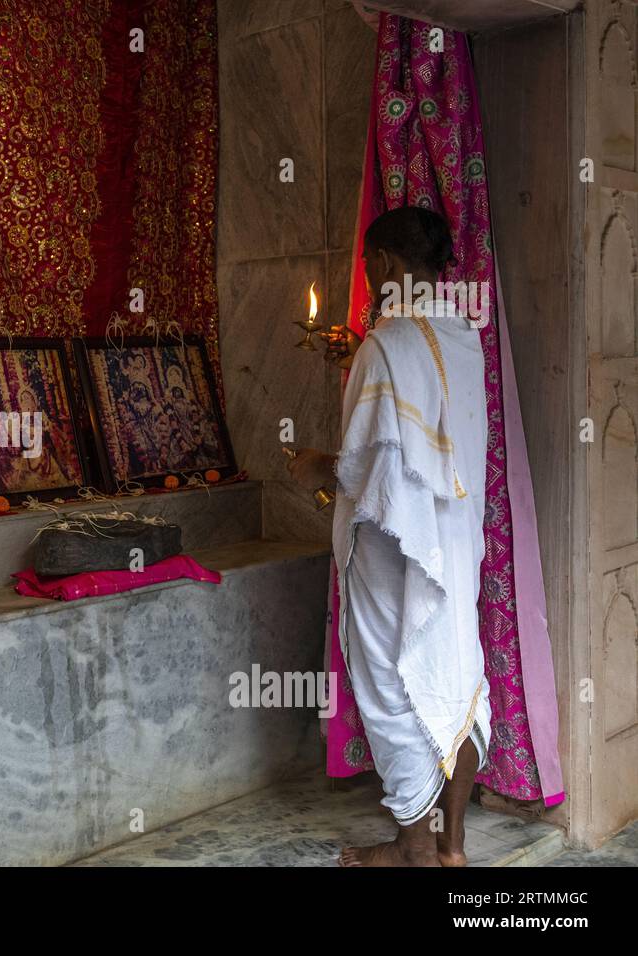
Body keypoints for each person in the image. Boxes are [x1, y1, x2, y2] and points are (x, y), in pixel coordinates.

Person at [287, 206, 490, 867]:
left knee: (391, 680)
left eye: (371, 262)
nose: (368, 275)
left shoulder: (386, 344)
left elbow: (369, 465)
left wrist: (315, 464)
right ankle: (451, 847)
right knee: (456, 677)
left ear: (391, 265)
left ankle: (411, 846)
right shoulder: (462, 331)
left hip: (394, 547)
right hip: (452, 543)